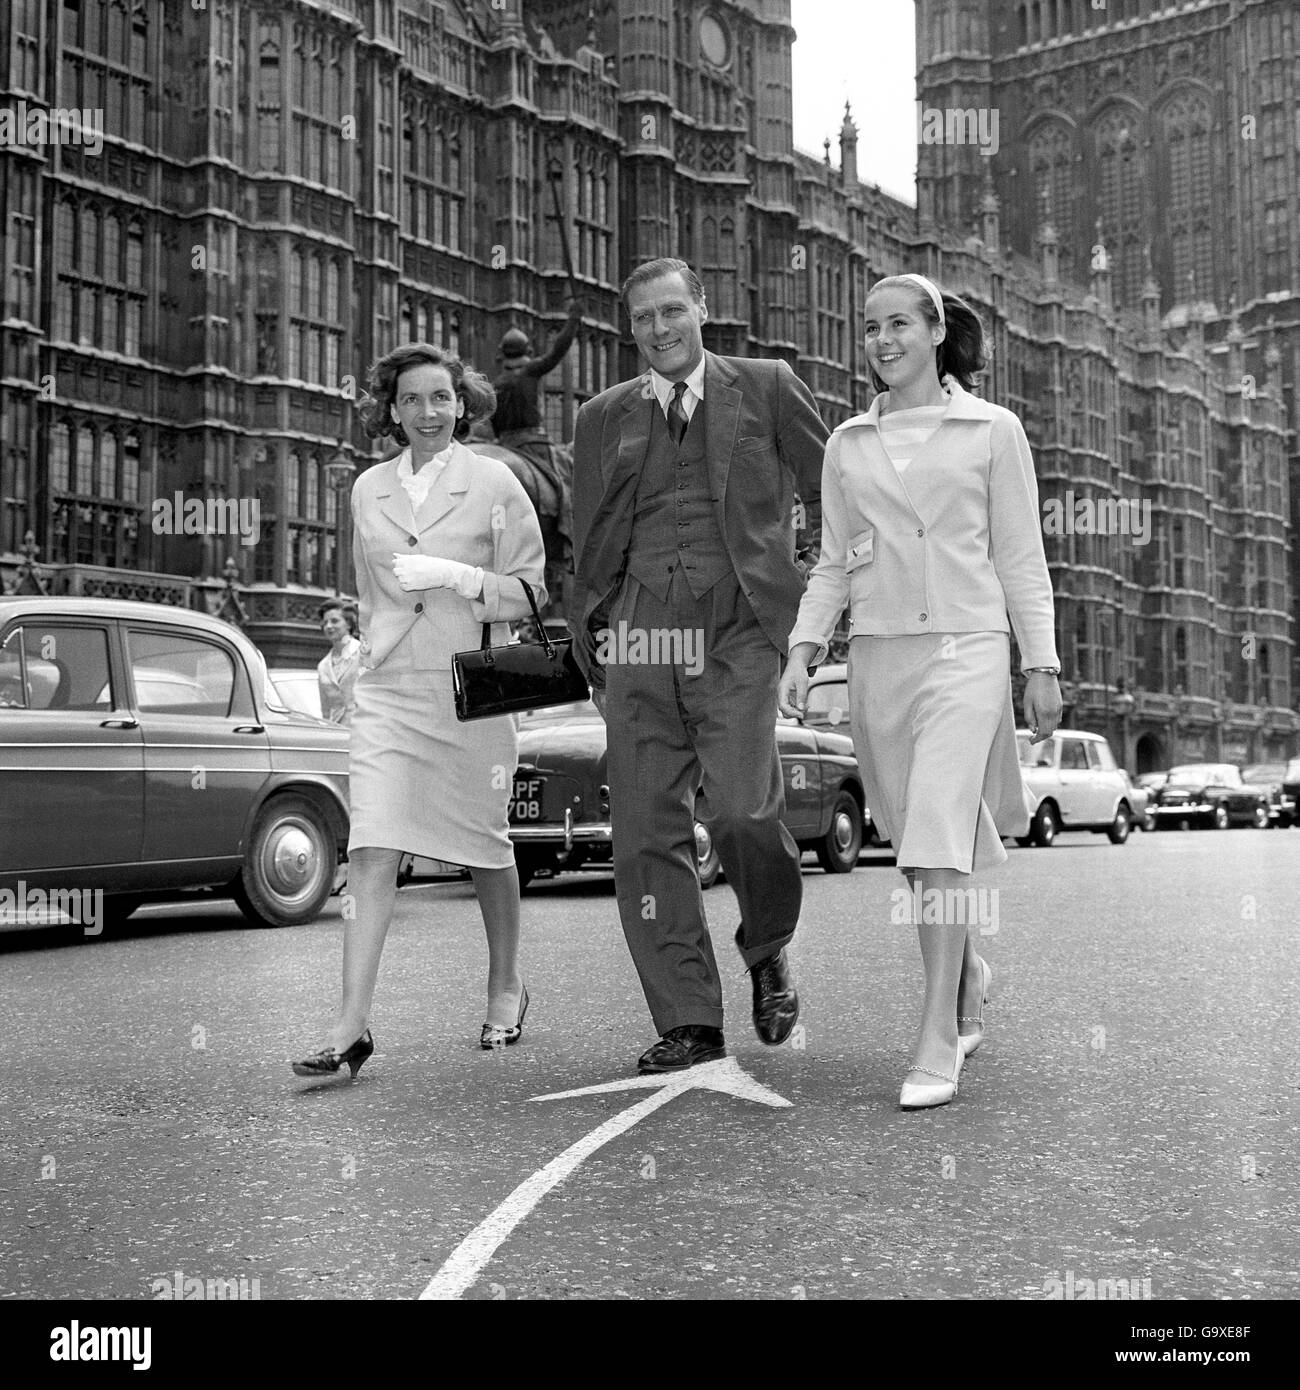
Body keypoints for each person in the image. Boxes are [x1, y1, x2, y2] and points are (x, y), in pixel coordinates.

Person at [780, 273, 1063, 1109]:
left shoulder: (991, 429)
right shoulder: (848, 443)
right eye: (870, 327)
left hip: (966, 648)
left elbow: (1019, 556)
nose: (882, 339)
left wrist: (1038, 662)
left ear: (937, 331)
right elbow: (832, 561)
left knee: (937, 832)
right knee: (913, 841)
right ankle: (970, 966)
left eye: (899, 323)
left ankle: (938, 1031)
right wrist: (802, 649)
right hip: (879, 654)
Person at [570, 257, 828, 1074]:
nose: (659, 329)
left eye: (672, 311)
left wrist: (814, 593)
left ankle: (767, 945)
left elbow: (839, 491)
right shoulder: (601, 417)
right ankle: (689, 1018)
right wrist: (595, 627)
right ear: (630, 326)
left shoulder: (770, 385)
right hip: (640, 632)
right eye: (643, 317)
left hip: (738, 626)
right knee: (646, 833)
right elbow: (588, 536)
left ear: (704, 308)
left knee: (746, 810)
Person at [292, 344, 547, 1080]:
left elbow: (531, 591)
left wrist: (462, 577)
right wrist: (366, 652)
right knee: (372, 846)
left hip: (471, 686)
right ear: (392, 410)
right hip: (391, 689)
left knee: (485, 849)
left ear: (461, 403)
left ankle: (506, 984)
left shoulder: (496, 481)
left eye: (441, 398)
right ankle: (350, 1027)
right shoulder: (367, 488)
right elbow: (370, 591)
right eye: (412, 400)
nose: (428, 413)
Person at [316, 599, 361, 727]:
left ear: (349, 624)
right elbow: (325, 710)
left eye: (334, 621)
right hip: (337, 732)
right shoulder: (323, 666)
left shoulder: (363, 654)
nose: (329, 626)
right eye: (325, 623)